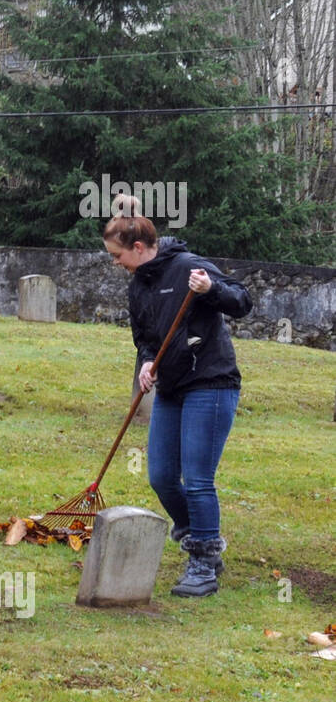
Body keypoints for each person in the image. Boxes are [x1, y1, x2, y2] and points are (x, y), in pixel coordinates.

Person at [102, 214, 252, 597]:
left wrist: (210, 288)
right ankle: (204, 537)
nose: (115, 263)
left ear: (138, 247)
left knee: (198, 479)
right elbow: (145, 339)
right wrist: (147, 364)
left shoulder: (189, 267)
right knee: (162, 477)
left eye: (118, 255)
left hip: (210, 382)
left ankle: (203, 562)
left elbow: (242, 301)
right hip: (171, 386)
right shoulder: (138, 285)